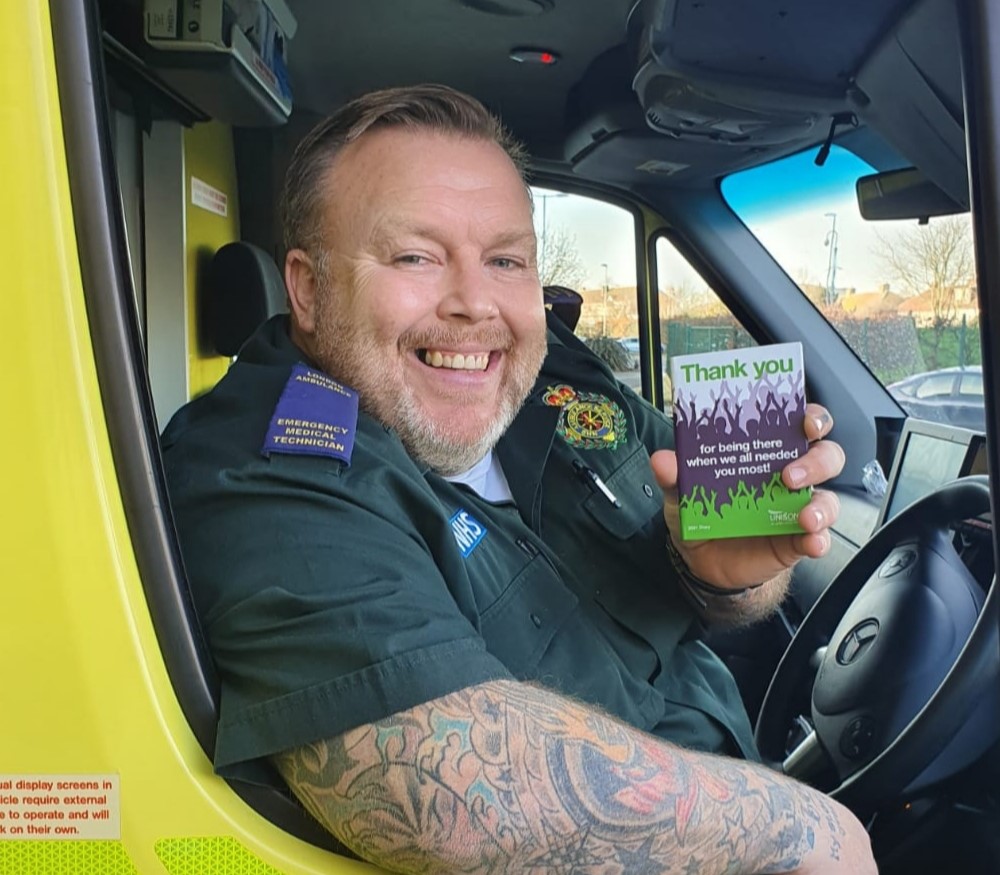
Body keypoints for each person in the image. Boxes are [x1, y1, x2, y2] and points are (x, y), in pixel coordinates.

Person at [161, 84, 875, 873]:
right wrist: (804, 830)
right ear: (308, 287)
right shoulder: (264, 467)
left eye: (505, 260)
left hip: (741, 773)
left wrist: (723, 576)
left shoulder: (554, 372)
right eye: (416, 257)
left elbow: (728, 584)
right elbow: (461, 799)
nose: (474, 304)